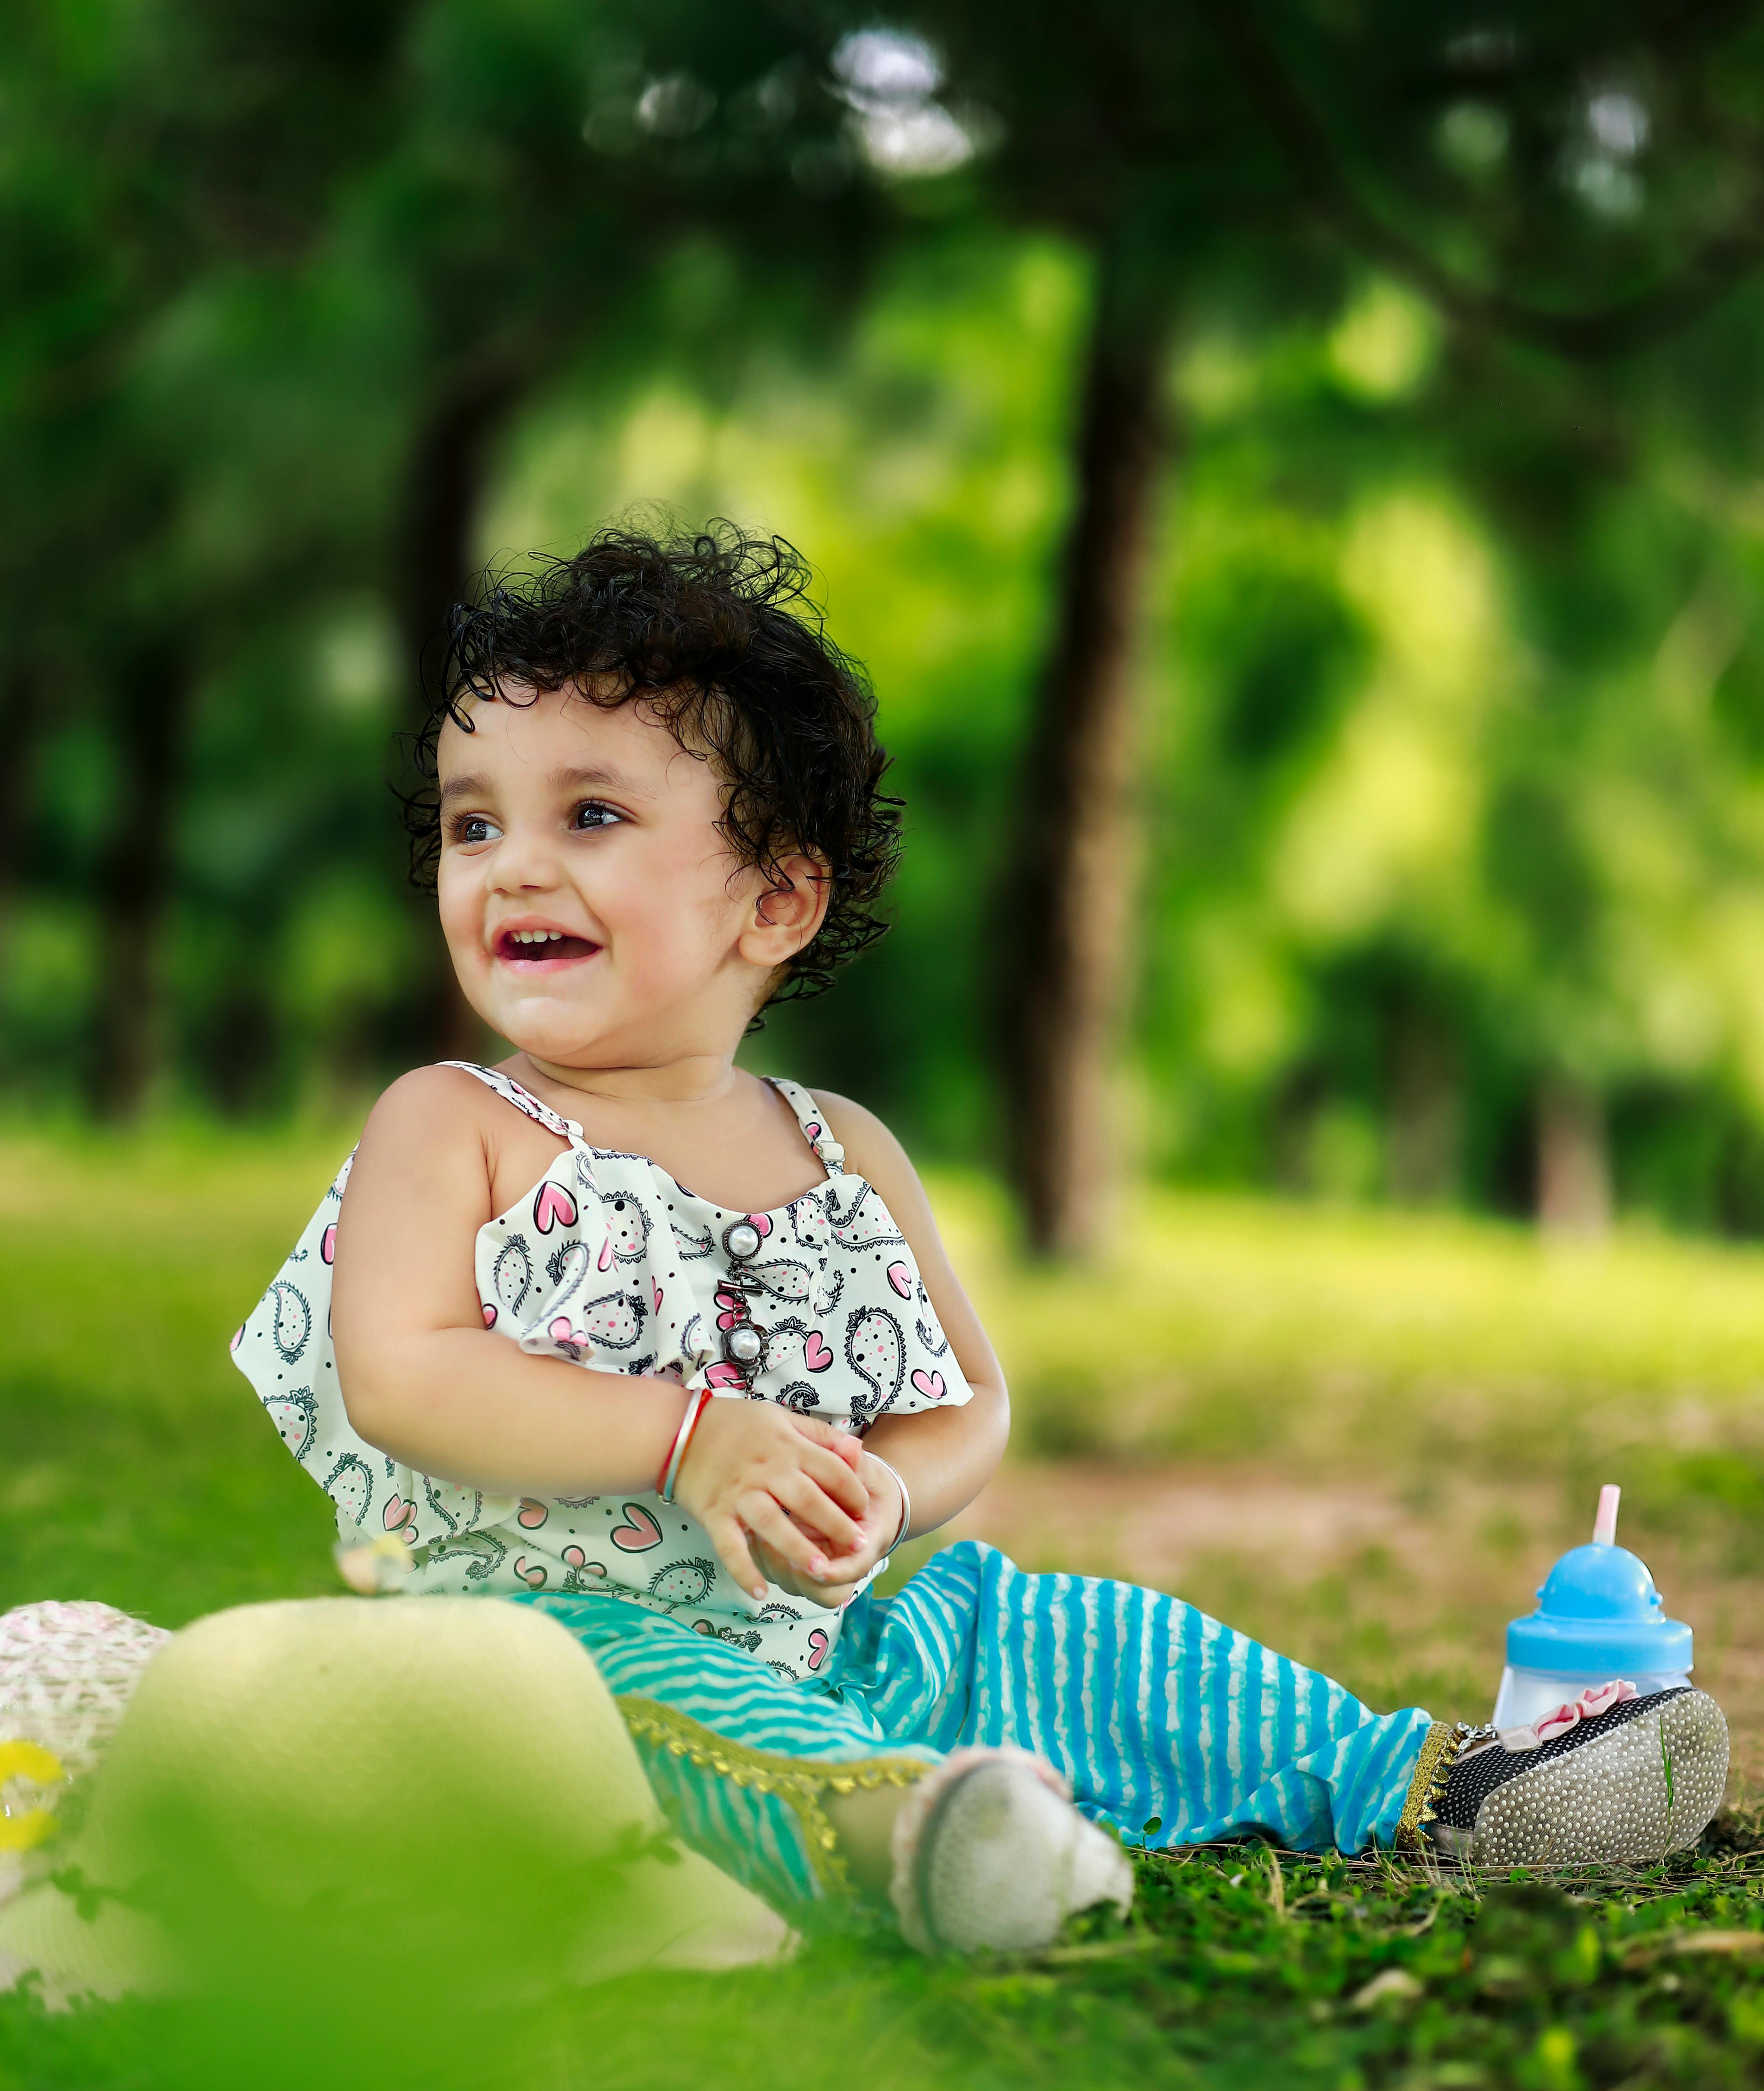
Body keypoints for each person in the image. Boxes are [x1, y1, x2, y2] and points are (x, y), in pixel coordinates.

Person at [2, 530, 1730, 1975]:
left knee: (1071, 1635)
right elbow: (404, 1374)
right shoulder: (450, 1125)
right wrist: (688, 1437)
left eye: (588, 815)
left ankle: (1446, 1791)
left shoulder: (840, 1153)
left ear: (776, 902)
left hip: (831, 1633)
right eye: (472, 821)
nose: (508, 863)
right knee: (673, 1714)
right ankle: (901, 1841)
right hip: (524, 1650)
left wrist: (889, 1505)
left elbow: (966, 1404)